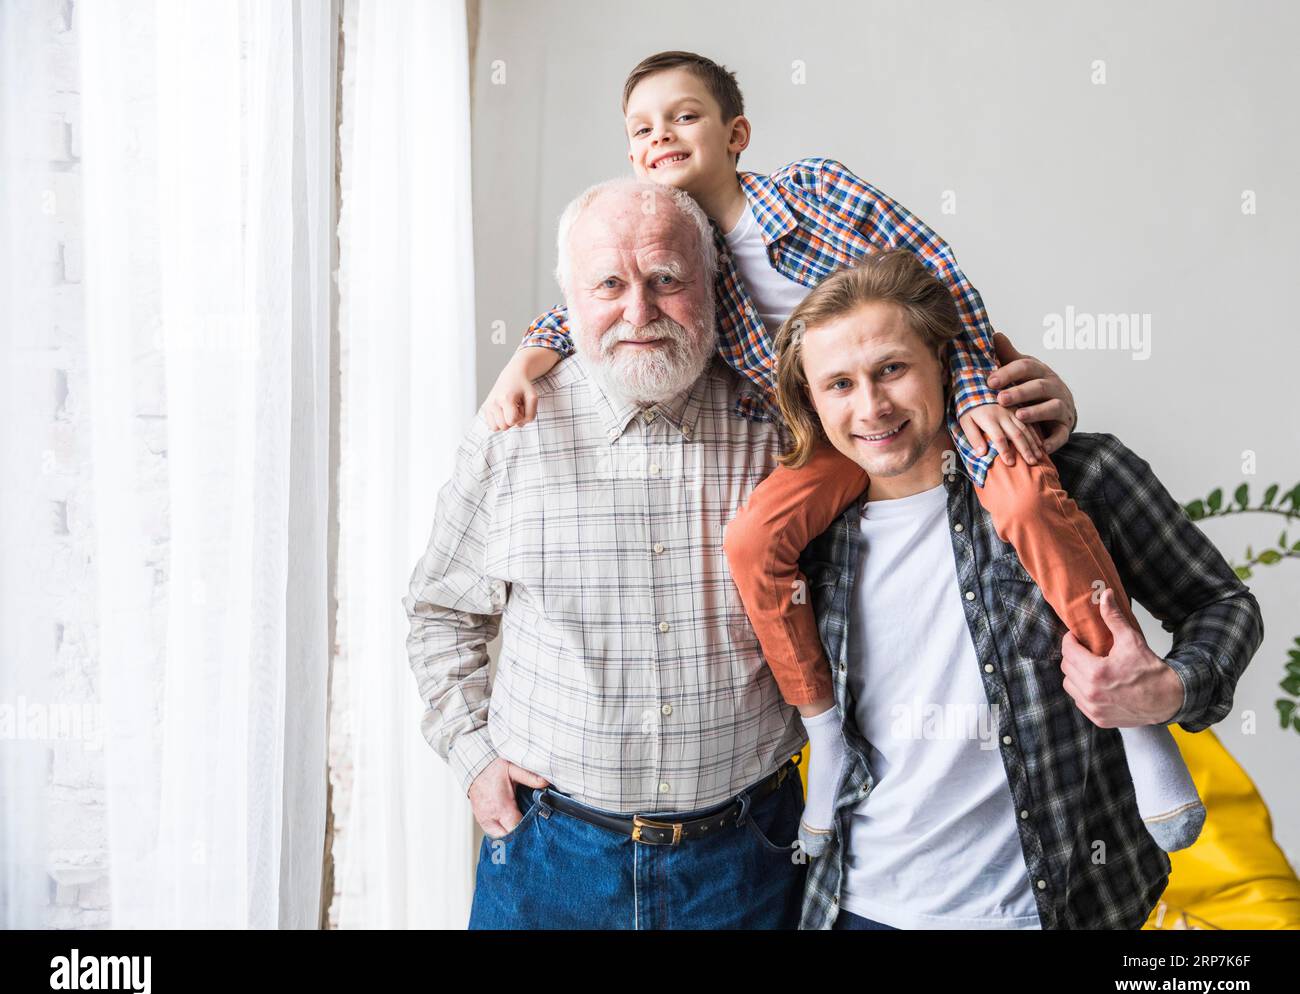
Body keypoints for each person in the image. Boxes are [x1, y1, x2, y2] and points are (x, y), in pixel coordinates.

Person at [478, 49, 1205, 855]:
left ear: (736, 131)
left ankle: (1132, 711)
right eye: (642, 130)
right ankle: (824, 735)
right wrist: (524, 360)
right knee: (752, 541)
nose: (663, 137)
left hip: (936, 392)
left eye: (683, 116)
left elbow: (942, 278)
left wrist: (969, 396)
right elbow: (595, 294)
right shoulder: (688, 263)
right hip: (829, 434)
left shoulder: (817, 189)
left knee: (1028, 501)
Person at [403, 179, 1077, 929]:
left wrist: (1027, 403)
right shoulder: (512, 429)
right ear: (568, 302)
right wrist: (472, 759)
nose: (639, 311)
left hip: (749, 858)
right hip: (550, 858)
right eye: (608, 285)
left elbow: (903, 387)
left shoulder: (794, 420)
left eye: (667, 279)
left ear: (716, 283)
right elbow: (439, 612)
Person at [776, 250, 1264, 929]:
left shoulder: (1078, 477)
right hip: (856, 908)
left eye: (892, 368)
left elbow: (1222, 604)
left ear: (945, 363)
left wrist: (1171, 688)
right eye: (839, 384)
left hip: (1057, 908)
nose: (872, 405)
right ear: (811, 398)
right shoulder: (806, 534)